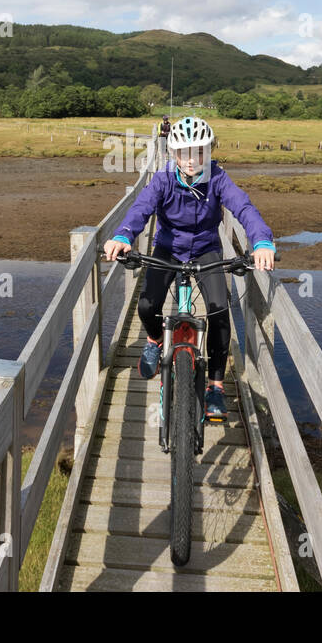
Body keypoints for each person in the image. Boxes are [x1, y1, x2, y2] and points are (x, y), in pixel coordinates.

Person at [102, 116, 274, 421]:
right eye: (184, 152)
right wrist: (123, 235)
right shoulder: (164, 178)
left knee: (220, 311)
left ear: (208, 151)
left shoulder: (218, 179)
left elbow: (244, 208)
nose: (191, 160)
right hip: (168, 249)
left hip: (207, 250)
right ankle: (155, 340)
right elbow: (142, 207)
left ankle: (215, 387)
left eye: (199, 151)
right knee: (147, 305)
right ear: (172, 153)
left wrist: (261, 241)